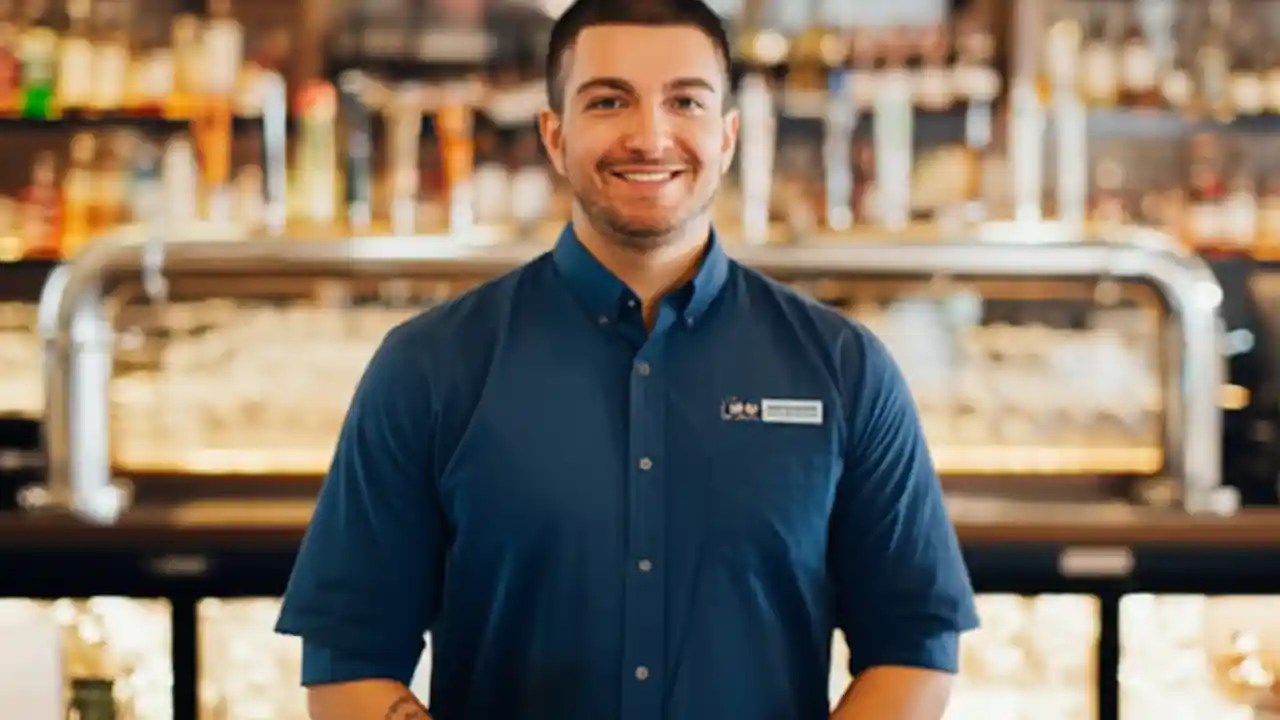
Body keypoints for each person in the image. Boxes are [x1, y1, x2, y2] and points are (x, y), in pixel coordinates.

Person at [274, 1, 980, 718]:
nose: (650, 135)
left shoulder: (845, 371)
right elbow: (349, 660)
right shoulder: (427, 367)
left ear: (728, 135)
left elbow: (914, 643)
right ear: (555, 135)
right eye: (609, 101)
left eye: (686, 101)